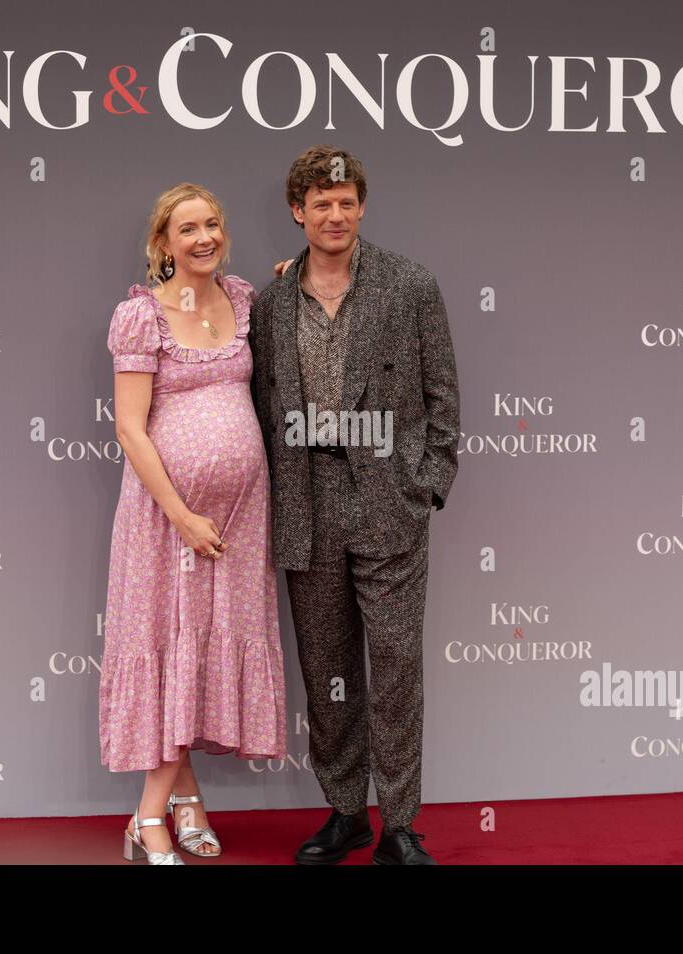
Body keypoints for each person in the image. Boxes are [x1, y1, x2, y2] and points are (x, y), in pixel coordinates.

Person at [249, 145, 460, 865]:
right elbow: (258, 403)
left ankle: (399, 824)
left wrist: (425, 484)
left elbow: (443, 395)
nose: (334, 215)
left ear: (362, 207)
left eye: (346, 202)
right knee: (328, 669)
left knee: (396, 665)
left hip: (389, 503)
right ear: (297, 211)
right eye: (321, 204)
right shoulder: (271, 303)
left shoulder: (410, 285)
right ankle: (346, 812)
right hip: (307, 503)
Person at [100, 182, 287, 865]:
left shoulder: (243, 300)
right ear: (163, 243)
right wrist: (181, 516)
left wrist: (297, 274)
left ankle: (187, 802)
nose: (204, 237)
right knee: (171, 644)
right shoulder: (141, 316)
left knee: (200, 649)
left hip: (240, 517)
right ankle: (149, 818)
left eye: (212, 224)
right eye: (187, 228)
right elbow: (130, 428)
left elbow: (299, 314)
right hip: (166, 520)